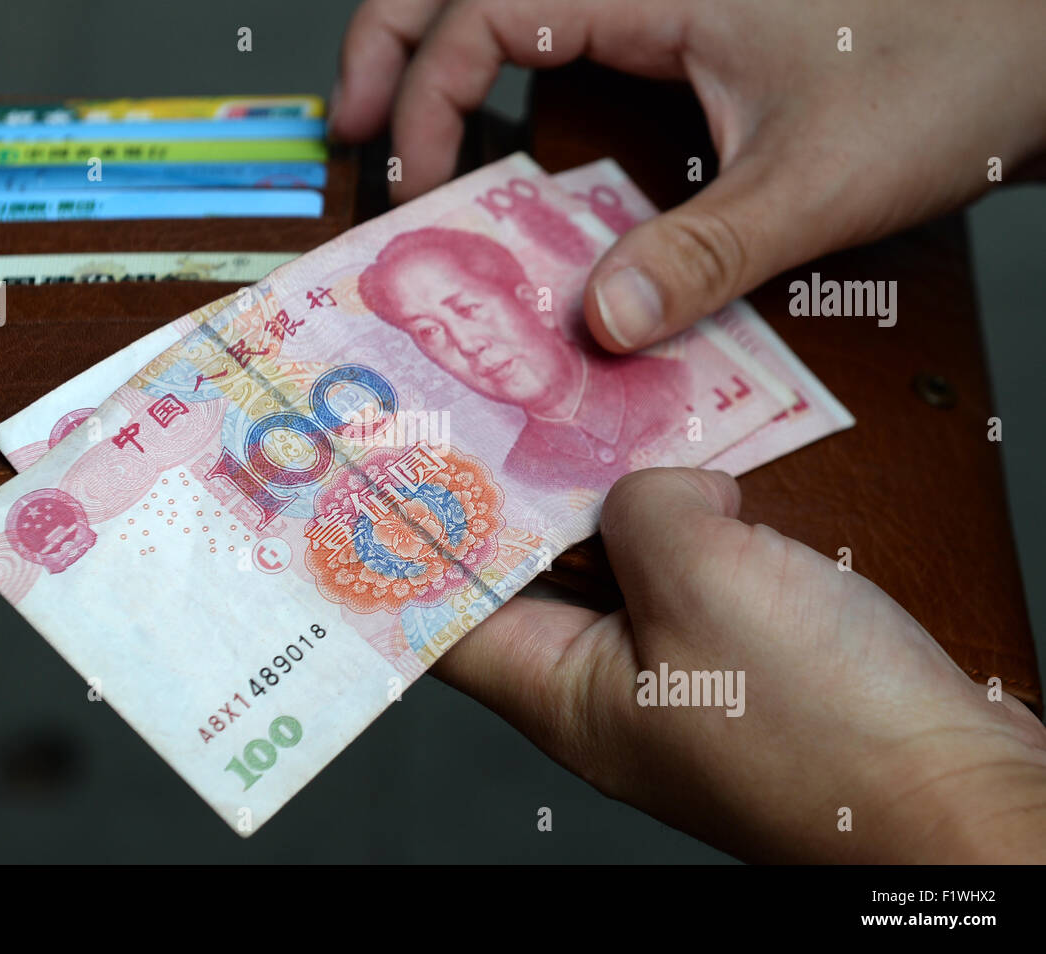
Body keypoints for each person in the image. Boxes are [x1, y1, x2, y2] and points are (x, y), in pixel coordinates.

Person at [329, 0, 1046, 862]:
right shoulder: (518, 464)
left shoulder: (669, 390)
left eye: (464, 306)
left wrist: (936, 788)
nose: (461, 341)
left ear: (521, 288)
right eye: (429, 332)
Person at [358, 226, 690, 487]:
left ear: (532, 303)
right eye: (429, 331)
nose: (467, 344)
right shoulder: (522, 473)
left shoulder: (678, 384)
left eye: (468, 308)